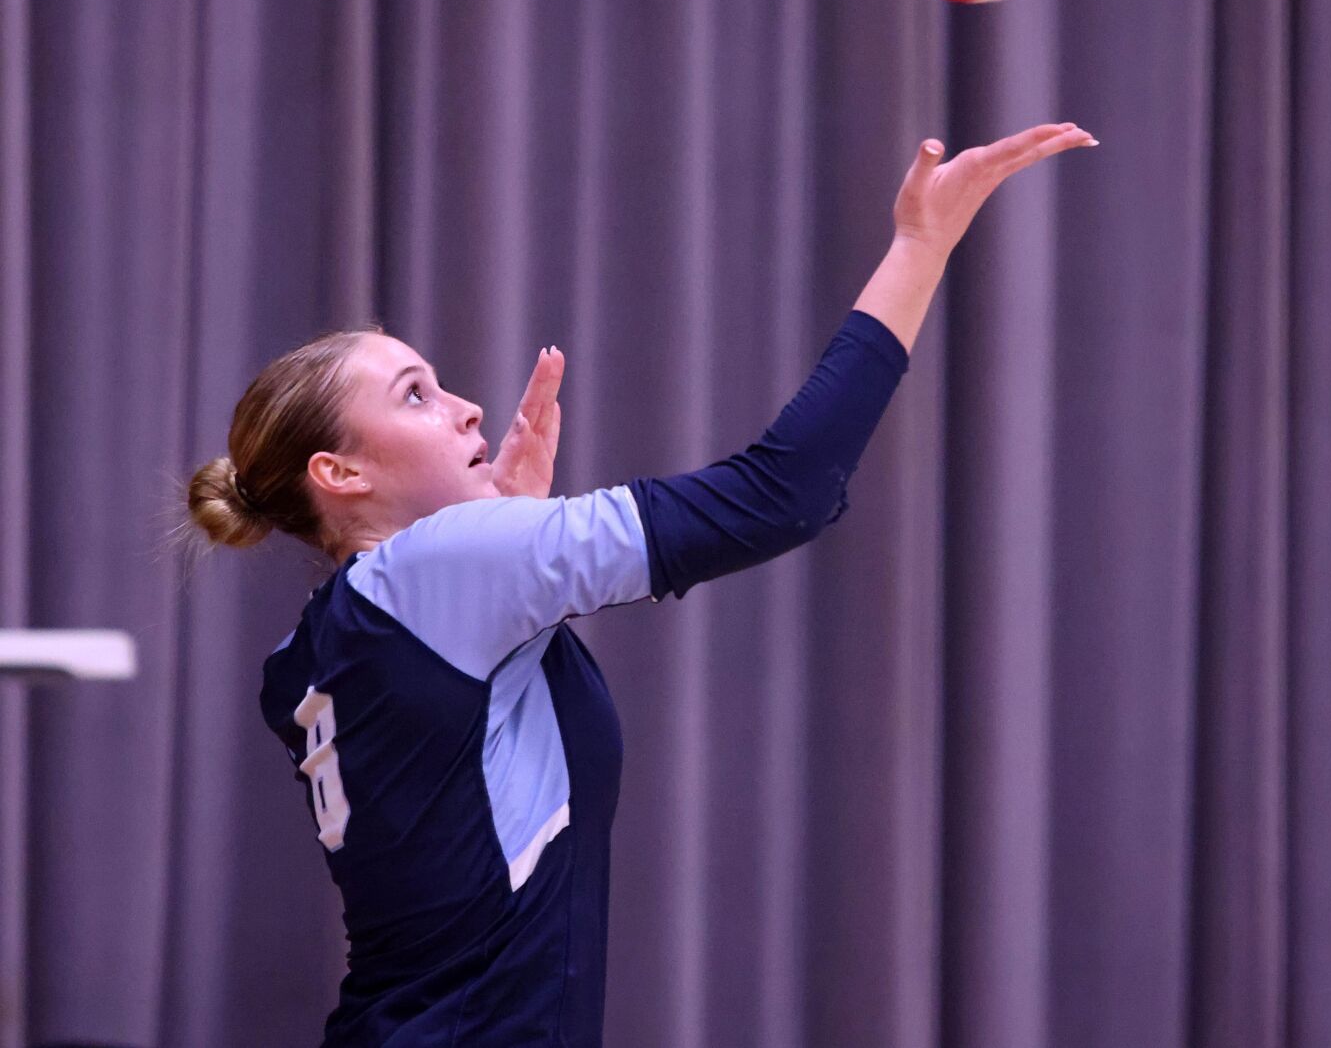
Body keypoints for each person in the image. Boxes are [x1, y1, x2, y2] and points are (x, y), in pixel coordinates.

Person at [186, 123, 1096, 1046]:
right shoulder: (436, 572)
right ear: (338, 474)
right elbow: (782, 493)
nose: (465, 404)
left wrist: (515, 579)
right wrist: (918, 246)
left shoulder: (306, 649)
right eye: (415, 394)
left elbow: (465, 798)